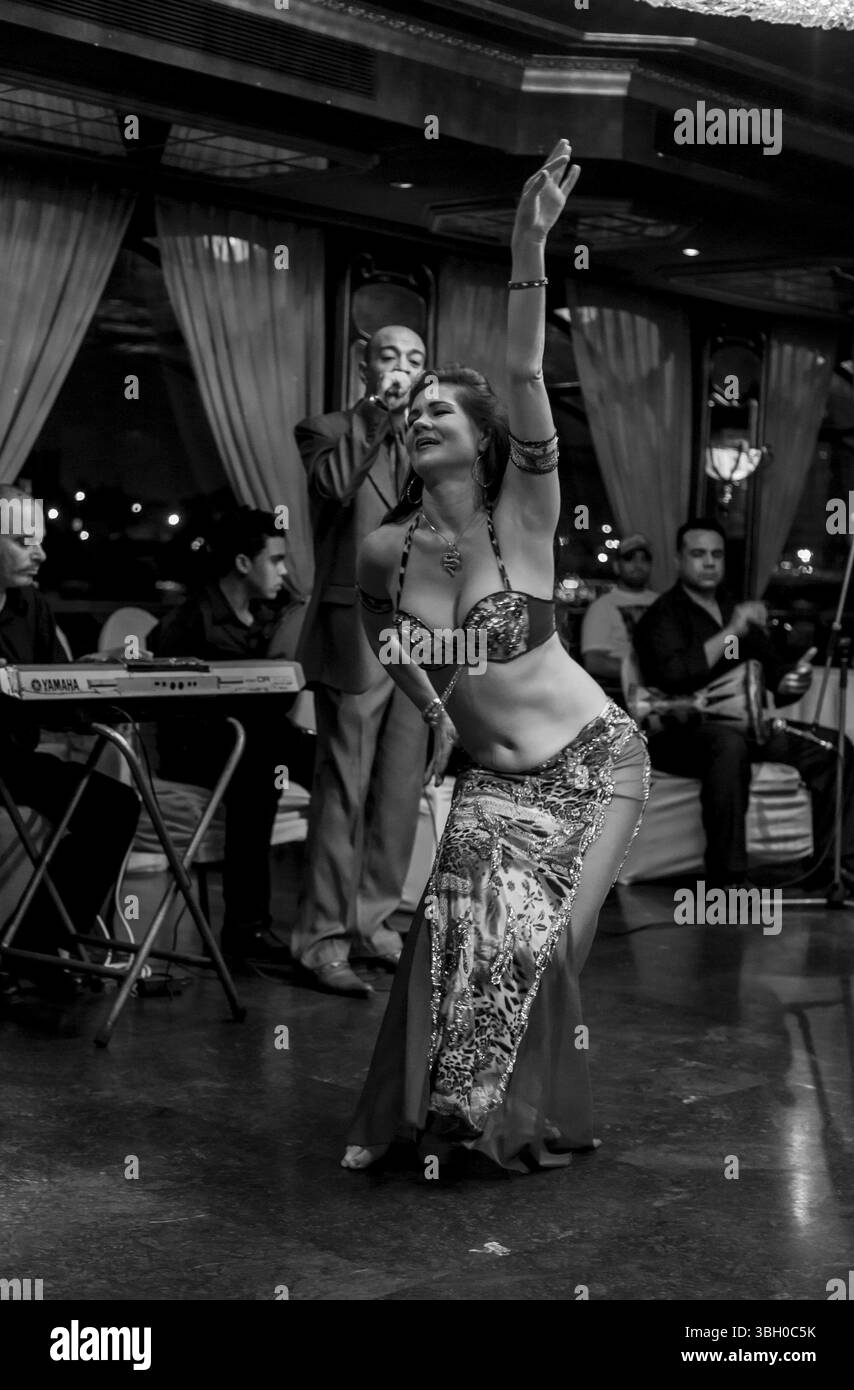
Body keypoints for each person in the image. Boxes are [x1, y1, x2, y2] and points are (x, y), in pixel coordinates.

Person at [341, 139, 650, 1175]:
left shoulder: (521, 514)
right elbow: (383, 635)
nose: (422, 409)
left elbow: (521, 367)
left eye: (441, 406)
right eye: (413, 404)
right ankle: (451, 1122)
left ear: (479, 441)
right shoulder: (387, 549)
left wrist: (525, 241)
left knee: (546, 945)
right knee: (454, 919)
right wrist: (431, 710)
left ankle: (517, 1115)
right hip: (487, 781)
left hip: (593, 763)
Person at [291, 325, 429, 997]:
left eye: (414, 360)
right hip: (355, 635)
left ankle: (373, 923)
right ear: (363, 363)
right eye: (389, 357)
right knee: (342, 791)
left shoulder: (430, 438)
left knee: (400, 795)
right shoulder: (323, 429)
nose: (401, 369)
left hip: (419, 638)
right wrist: (376, 413)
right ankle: (320, 940)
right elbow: (336, 487)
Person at [633, 517, 854, 892]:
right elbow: (673, 676)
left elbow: (768, 671)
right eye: (698, 554)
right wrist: (732, 631)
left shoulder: (730, 611)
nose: (709, 562)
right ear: (679, 560)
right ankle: (728, 878)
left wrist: (790, 682)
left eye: (716, 555)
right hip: (678, 734)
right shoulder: (663, 616)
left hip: (743, 728)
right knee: (727, 744)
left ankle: (834, 864)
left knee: (834, 748)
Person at [0, 485, 140, 1000]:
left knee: (114, 804)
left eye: (37, 541)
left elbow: (44, 692)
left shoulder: (29, 603)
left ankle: (34, 945)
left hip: (12, 759)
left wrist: (86, 681)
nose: (39, 553)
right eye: (21, 541)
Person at [150, 506, 305, 967]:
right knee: (258, 769)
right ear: (243, 563)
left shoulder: (266, 616)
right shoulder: (190, 620)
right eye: (275, 560)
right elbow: (168, 709)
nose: (283, 570)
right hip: (195, 750)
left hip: (253, 742)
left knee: (332, 758)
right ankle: (245, 928)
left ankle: (335, 923)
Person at [580, 534, 658, 703]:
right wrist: (645, 671)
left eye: (644, 559)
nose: (638, 565)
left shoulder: (664, 602)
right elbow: (594, 662)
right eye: (629, 558)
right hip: (621, 694)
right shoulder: (602, 606)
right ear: (617, 566)